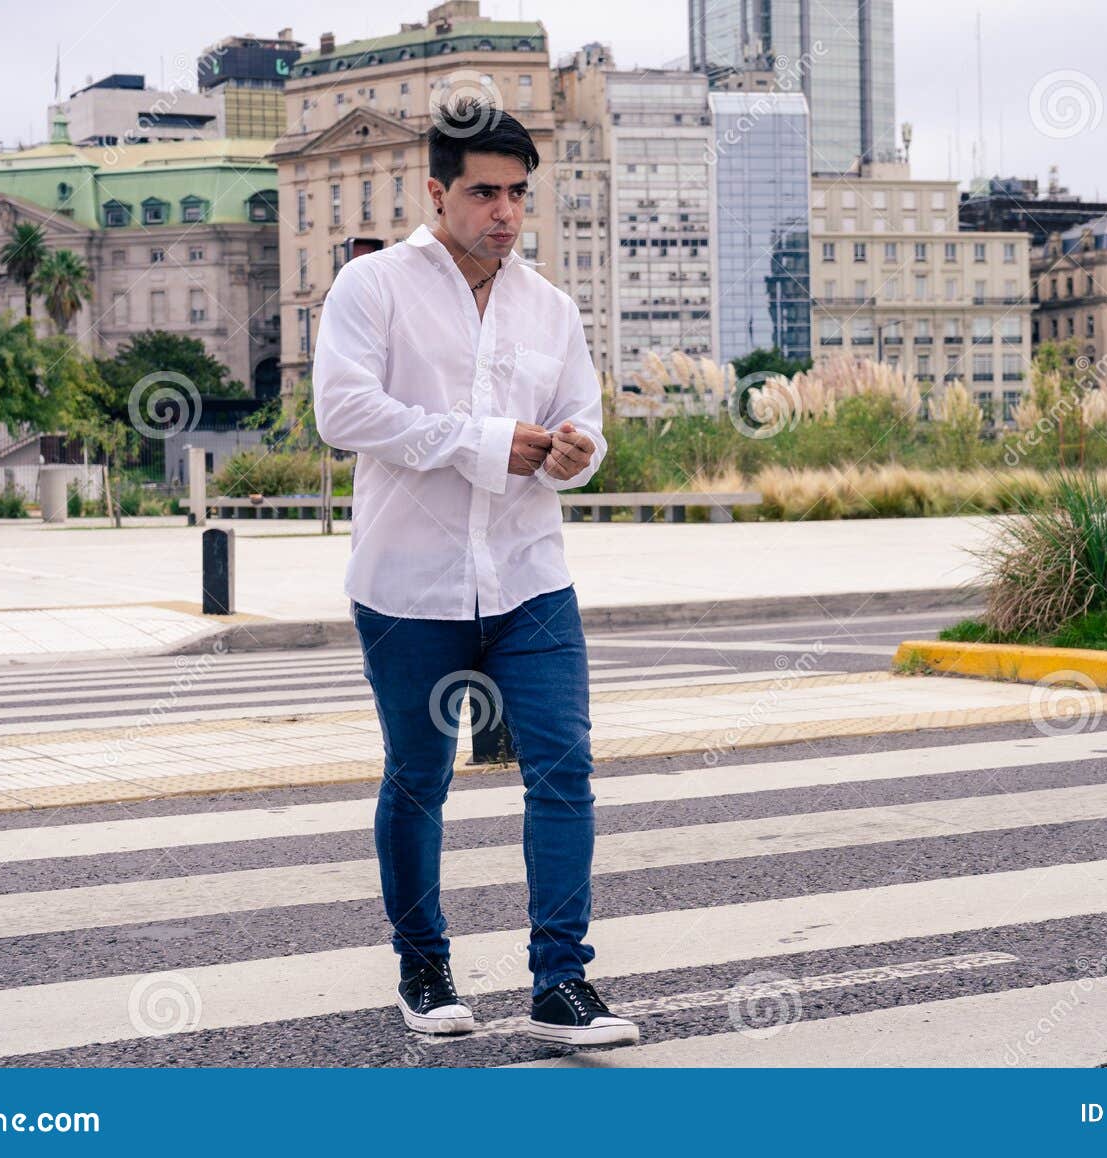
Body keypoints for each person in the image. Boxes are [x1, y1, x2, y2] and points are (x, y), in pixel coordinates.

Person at [311, 98, 637, 1047]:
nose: (505, 212)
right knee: (419, 779)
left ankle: (560, 983)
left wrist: (578, 452)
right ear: (437, 192)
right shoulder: (373, 287)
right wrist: (485, 441)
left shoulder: (552, 308)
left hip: (531, 579)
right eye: (485, 192)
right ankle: (424, 967)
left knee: (564, 770)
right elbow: (344, 412)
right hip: (409, 586)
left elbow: (584, 422)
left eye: (518, 193)